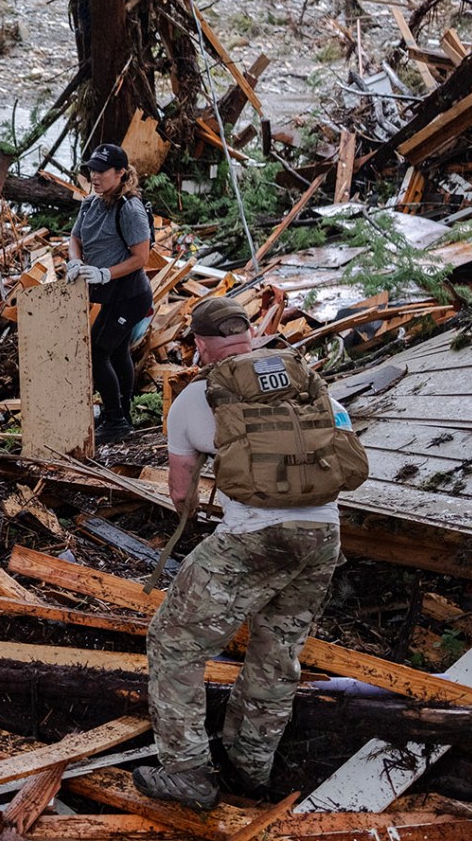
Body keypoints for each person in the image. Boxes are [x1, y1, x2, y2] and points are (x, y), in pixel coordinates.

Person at [135, 297, 366, 810]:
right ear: (253, 336)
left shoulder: (197, 397)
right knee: (276, 652)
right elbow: (343, 444)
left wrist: (197, 508)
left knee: (174, 642)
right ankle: (250, 766)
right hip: (323, 537)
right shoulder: (306, 381)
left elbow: (179, 492)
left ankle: (187, 770)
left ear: (198, 344)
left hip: (253, 537)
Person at [67, 143, 153, 444]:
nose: (95, 175)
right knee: (116, 351)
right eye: (92, 169)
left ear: (120, 173)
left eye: (102, 171)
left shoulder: (129, 209)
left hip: (130, 295)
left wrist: (105, 273)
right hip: (110, 294)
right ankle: (123, 413)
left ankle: (116, 420)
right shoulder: (91, 203)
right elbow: (75, 237)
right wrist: (75, 260)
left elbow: (142, 257)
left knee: (96, 351)